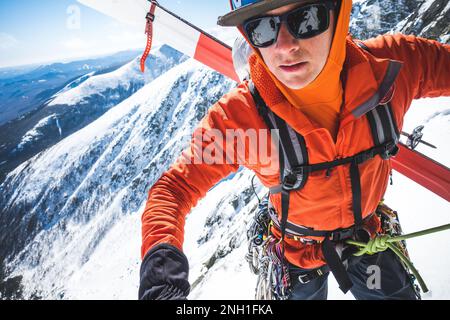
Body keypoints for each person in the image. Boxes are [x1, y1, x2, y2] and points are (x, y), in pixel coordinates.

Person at [138, 0, 450, 300]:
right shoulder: (241, 120)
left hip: (366, 239)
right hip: (298, 254)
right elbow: (173, 190)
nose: (284, 46)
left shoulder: (393, 68)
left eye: (307, 18)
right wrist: (162, 275)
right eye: (262, 28)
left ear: (338, 12)